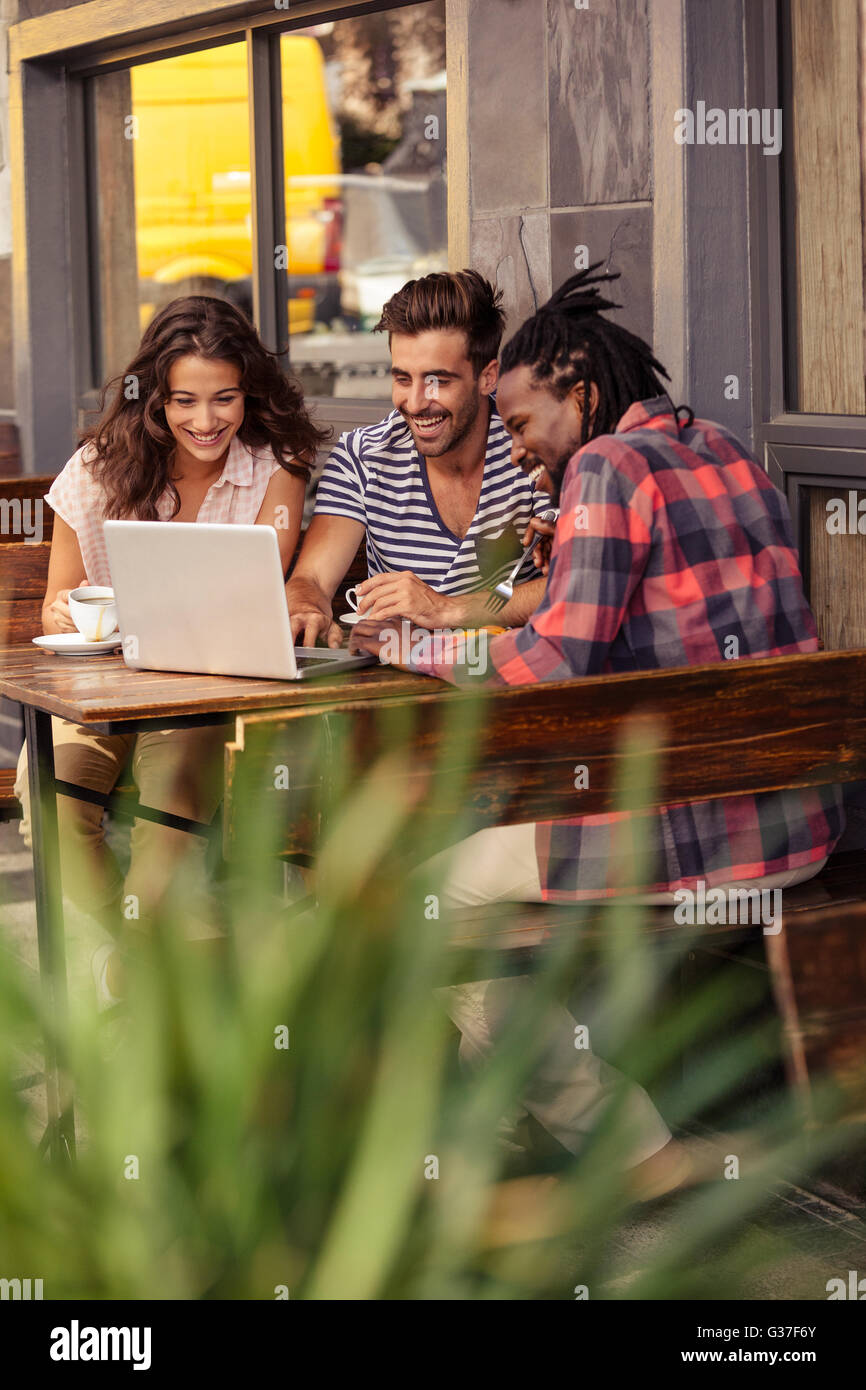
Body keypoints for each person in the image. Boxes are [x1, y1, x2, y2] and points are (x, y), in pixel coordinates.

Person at [351, 266, 845, 1197]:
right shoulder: (728, 447)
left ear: (580, 392)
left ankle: (634, 1154)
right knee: (490, 910)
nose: (518, 445)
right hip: (799, 825)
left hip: (699, 834)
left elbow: (553, 666)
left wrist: (415, 647)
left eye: (523, 422)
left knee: (420, 901)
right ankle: (490, 1129)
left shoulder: (606, 468)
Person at [16, 296, 326, 996]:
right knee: (52, 806)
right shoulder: (101, 467)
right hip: (101, 687)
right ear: (155, 397)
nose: (206, 420)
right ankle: (141, 959)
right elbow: (57, 604)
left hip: (198, 692)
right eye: (184, 400)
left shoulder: (274, 465)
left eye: (225, 398)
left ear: (249, 389)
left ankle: (130, 975)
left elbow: (263, 577)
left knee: (169, 818)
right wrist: (74, 611)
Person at [284, 270, 553, 648]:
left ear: (487, 377)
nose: (414, 403)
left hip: (508, 686)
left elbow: (577, 583)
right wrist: (308, 610)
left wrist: (450, 609)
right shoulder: (361, 458)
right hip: (398, 692)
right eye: (403, 379)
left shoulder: (536, 450)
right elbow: (310, 580)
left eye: (438, 381)